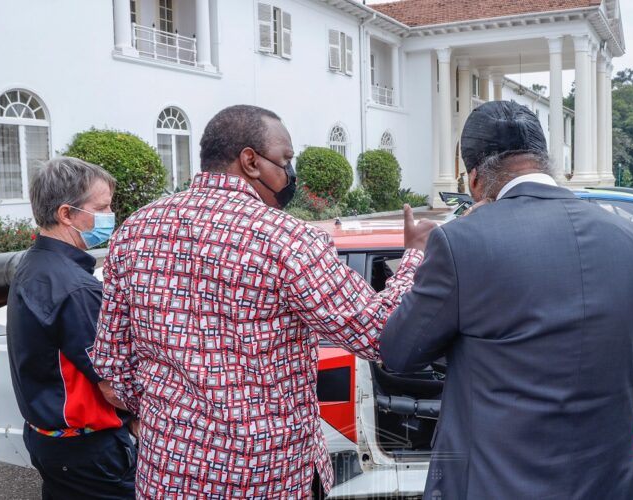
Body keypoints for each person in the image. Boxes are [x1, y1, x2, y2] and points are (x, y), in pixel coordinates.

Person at [93, 104, 436, 498]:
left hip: (168, 471)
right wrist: (414, 257)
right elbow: (380, 332)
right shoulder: (286, 238)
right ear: (250, 161)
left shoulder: (136, 229)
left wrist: (168, 420)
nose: (290, 174)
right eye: (286, 161)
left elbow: (112, 364)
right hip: (263, 475)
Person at [380, 101, 633, 500]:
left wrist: (417, 257)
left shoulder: (462, 241)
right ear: (544, 163)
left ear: (474, 179)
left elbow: (400, 351)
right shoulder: (632, 239)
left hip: (498, 484)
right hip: (609, 482)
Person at [6, 157, 135, 499]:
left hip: (48, 442)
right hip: (87, 451)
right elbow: (113, 387)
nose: (110, 216)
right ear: (66, 214)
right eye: (103, 207)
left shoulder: (33, 264)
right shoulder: (77, 289)